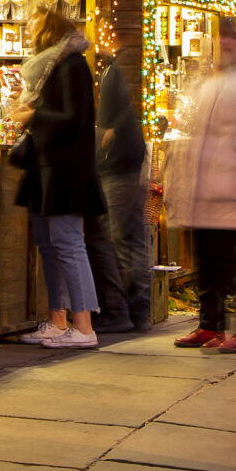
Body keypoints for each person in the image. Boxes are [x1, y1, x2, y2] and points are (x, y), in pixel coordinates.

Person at [165, 18, 236, 353]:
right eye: (222, 42)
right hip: (205, 188)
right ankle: (209, 325)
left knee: (232, 261)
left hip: (232, 184)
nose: (225, 48)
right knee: (208, 260)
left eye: (231, 42)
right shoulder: (212, 84)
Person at [8, 0, 106, 348]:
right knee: (49, 246)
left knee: (68, 244)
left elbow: (77, 120)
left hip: (66, 169)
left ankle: (84, 327)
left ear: (49, 24)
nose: (27, 26)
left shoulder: (72, 66)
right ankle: (58, 320)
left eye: (32, 20)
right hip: (45, 168)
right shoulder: (47, 68)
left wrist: (32, 116)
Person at [95, 40, 151, 328]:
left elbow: (106, 124)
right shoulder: (123, 71)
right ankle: (139, 310)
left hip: (118, 168)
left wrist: (105, 137)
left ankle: (122, 310)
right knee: (132, 241)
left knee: (119, 242)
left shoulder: (114, 73)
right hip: (130, 166)